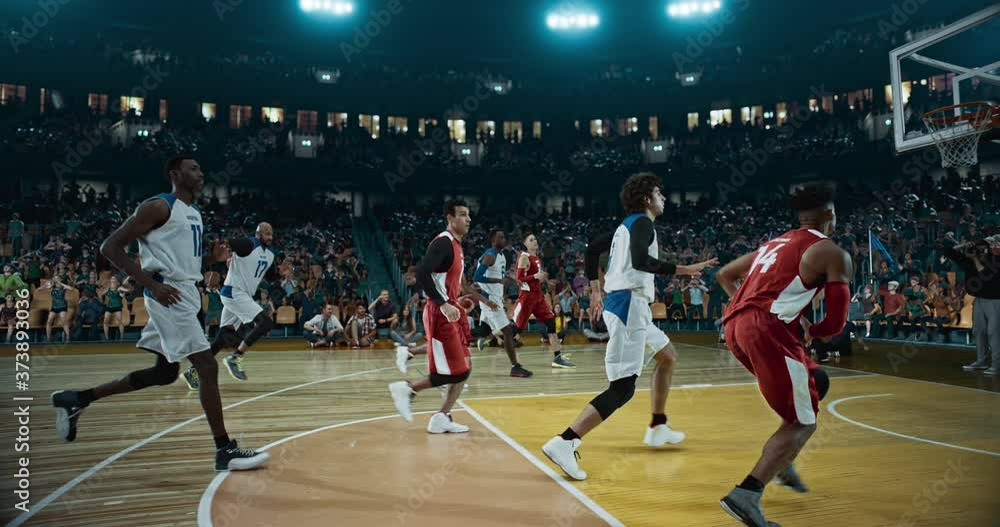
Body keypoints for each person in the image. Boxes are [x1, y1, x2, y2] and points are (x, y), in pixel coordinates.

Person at [50, 154, 269, 472]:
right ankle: (225, 450)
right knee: (206, 366)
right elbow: (110, 247)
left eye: (200, 167)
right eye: (193, 168)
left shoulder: (193, 212)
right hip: (169, 296)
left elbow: (182, 263)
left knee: (164, 373)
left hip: (186, 294)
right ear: (175, 174)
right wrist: (151, 284)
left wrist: (212, 258)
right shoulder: (158, 206)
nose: (201, 172)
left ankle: (77, 399)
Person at [541, 172, 717, 481]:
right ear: (647, 198)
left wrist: (596, 289)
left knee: (668, 356)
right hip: (628, 307)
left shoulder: (625, 227)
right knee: (622, 389)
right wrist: (684, 269)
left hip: (633, 306)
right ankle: (565, 441)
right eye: (660, 194)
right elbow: (640, 261)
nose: (664, 198)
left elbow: (592, 250)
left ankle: (658, 426)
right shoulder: (642, 224)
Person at [715, 182, 850, 526]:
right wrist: (812, 329)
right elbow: (835, 323)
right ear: (829, 215)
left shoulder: (773, 243)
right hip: (767, 330)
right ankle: (746, 494)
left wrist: (748, 311)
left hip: (734, 327)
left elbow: (725, 275)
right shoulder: (831, 252)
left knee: (816, 379)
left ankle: (782, 460)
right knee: (802, 422)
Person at [388, 199, 493, 434]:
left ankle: (441, 417)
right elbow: (422, 273)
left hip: (451, 312)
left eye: (469, 215)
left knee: (466, 366)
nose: (468, 219)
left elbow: (445, 282)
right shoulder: (444, 243)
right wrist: (444, 303)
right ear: (450, 218)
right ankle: (407, 389)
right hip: (439, 315)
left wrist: (458, 302)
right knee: (457, 371)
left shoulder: (456, 246)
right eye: (463, 215)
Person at [182, 222, 276, 388]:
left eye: (271, 233)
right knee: (266, 322)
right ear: (258, 234)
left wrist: (280, 274)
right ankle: (236, 356)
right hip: (234, 292)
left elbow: (271, 275)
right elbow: (227, 244)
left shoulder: (270, 255)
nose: (270, 236)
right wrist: (219, 247)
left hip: (242, 296)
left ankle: (193, 372)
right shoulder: (249, 244)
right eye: (266, 233)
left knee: (221, 340)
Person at [467, 229, 532, 378]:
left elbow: (499, 275)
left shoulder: (501, 255)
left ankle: (456, 337)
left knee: (483, 331)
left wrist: (510, 279)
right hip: (490, 299)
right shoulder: (491, 255)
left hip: (494, 297)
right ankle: (515, 367)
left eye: (504, 237)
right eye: (500, 237)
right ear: (493, 240)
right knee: (508, 331)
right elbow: (477, 276)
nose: (503, 239)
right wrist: (498, 281)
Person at [513, 232, 575, 368]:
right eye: (531, 239)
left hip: (538, 296)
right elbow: (519, 279)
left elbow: (536, 277)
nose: (535, 241)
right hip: (527, 297)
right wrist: (535, 276)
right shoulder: (524, 257)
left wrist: (545, 279)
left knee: (551, 323)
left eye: (535, 239)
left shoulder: (536, 257)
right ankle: (488, 336)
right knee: (516, 329)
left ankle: (557, 358)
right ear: (525, 244)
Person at [947, 234, 1000, 375]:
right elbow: (949, 252)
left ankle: (996, 364)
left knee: (994, 332)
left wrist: (976, 258)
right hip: (979, 300)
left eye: (983, 249)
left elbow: (985, 276)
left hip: (995, 300)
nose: (980, 251)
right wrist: (964, 246)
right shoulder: (970, 260)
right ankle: (981, 361)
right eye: (979, 249)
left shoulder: (995, 261)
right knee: (978, 331)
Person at [42, 276, 75, 342]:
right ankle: (48, 338)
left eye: (57, 278)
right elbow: (40, 290)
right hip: (54, 307)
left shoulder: (63, 287)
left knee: (63, 320)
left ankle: (68, 337)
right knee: (49, 320)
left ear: (60, 279)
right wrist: (45, 285)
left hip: (62, 306)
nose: (56, 280)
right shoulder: (51, 288)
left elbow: (71, 289)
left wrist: (60, 283)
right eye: (55, 278)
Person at [101, 276, 131, 341]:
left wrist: (124, 291)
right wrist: (104, 292)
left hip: (117, 306)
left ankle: (122, 338)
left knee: (120, 322)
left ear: (117, 281)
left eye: (114, 279)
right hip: (109, 306)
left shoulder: (119, 288)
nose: (113, 279)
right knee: (105, 322)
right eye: (112, 278)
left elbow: (128, 290)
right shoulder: (108, 289)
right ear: (110, 281)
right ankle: (107, 338)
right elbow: (102, 294)